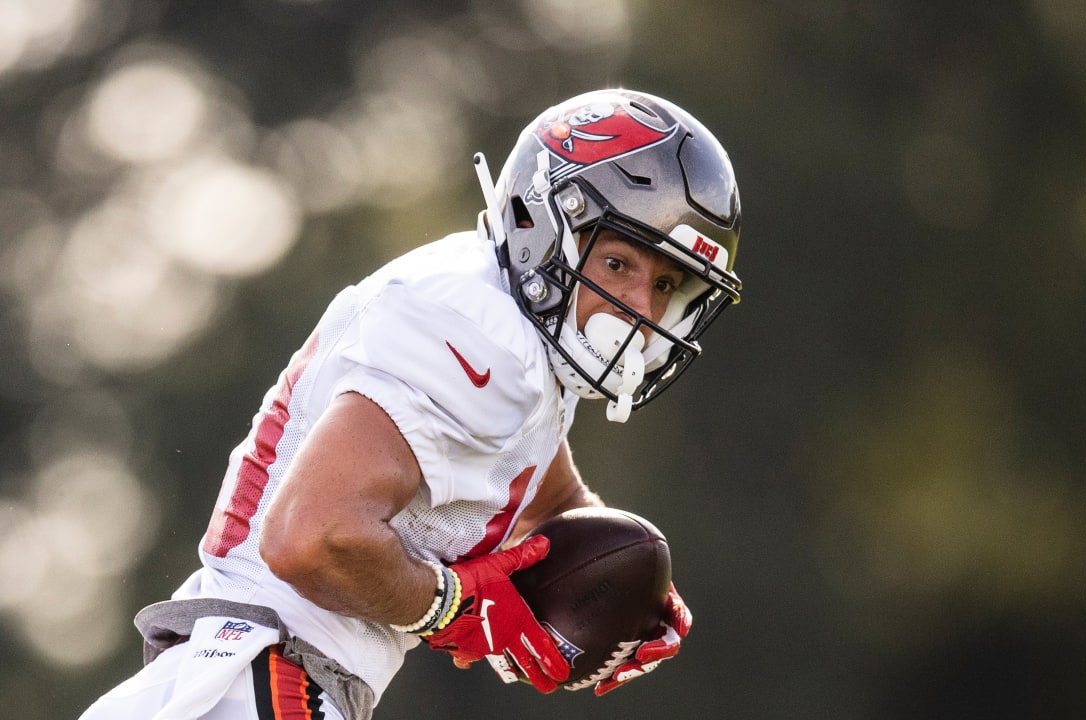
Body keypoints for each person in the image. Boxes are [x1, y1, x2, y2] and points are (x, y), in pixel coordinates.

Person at [79, 88, 743, 720]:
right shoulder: (485, 338)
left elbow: (542, 500)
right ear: (544, 224)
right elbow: (310, 537)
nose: (641, 309)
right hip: (264, 675)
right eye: (619, 265)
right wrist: (452, 609)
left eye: (666, 285)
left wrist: (631, 588)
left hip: (242, 671)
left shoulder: (511, 332)